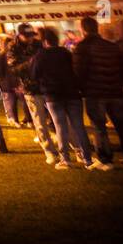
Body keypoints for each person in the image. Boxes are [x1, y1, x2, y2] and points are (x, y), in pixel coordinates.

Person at [32, 27, 106, 171]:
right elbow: (75, 69)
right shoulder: (65, 53)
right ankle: (88, 159)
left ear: (45, 41)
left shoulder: (40, 56)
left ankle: (65, 159)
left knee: (61, 127)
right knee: (79, 126)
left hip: (53, 95)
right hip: (72, 93)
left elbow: (34, 74)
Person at [74, 16, 123, 169]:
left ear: (83, 29)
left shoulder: (83, 47)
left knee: (99, 126)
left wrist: (81, 88)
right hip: (115, 91)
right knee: (122, 127)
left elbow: (79, 72)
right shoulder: (111, 46)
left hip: (95, 92)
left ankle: (106, 159)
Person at [7, 23, 61, 165]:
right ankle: (49, 151)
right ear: (19, 35)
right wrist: (31, 63)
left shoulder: (38, 44)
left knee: (59, 119)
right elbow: (13, 69)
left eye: (31, 35)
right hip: (30, 88)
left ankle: (71, 148)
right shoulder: (13, 47)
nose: (30, 38)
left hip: (46, 86)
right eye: (27, 36)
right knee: (40, 122)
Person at [0, 35, 28, 127]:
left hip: (8, 81)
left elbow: (1, 69)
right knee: (22, 101)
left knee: (12, 102)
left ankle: (15, 120)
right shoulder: (15, 52)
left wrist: (1, 79)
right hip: (16, 80)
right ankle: (28, 119)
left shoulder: (2, 53)